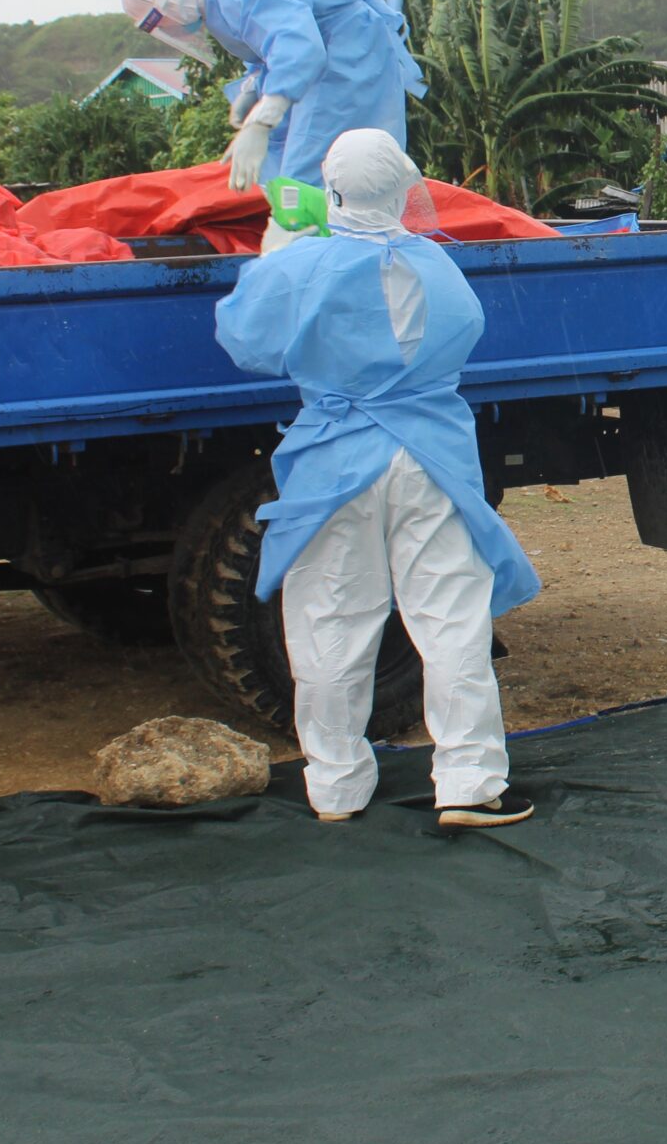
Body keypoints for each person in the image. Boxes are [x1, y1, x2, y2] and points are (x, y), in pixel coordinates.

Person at [212, 129, 540, 828]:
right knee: (451, 622)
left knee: (331, 619)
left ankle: (335, 786)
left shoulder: (302, 265)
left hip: (336, 462)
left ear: (330, 191)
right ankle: (471, 782)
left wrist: (277, 252)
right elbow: (466, 336)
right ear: (401, 188)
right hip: (431, 459)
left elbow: (245, 339)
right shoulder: (439, 268)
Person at [120, 0, 426, 250]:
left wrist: (262, 120)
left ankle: (308, 264)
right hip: (338, 61)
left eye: (160, 21)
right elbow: (274, 37)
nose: (169, 29)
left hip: (341, 67)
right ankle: (334, 255)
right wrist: (254, 90)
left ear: (166, 0)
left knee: (310, 185)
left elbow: (301, 45)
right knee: (314, 178)